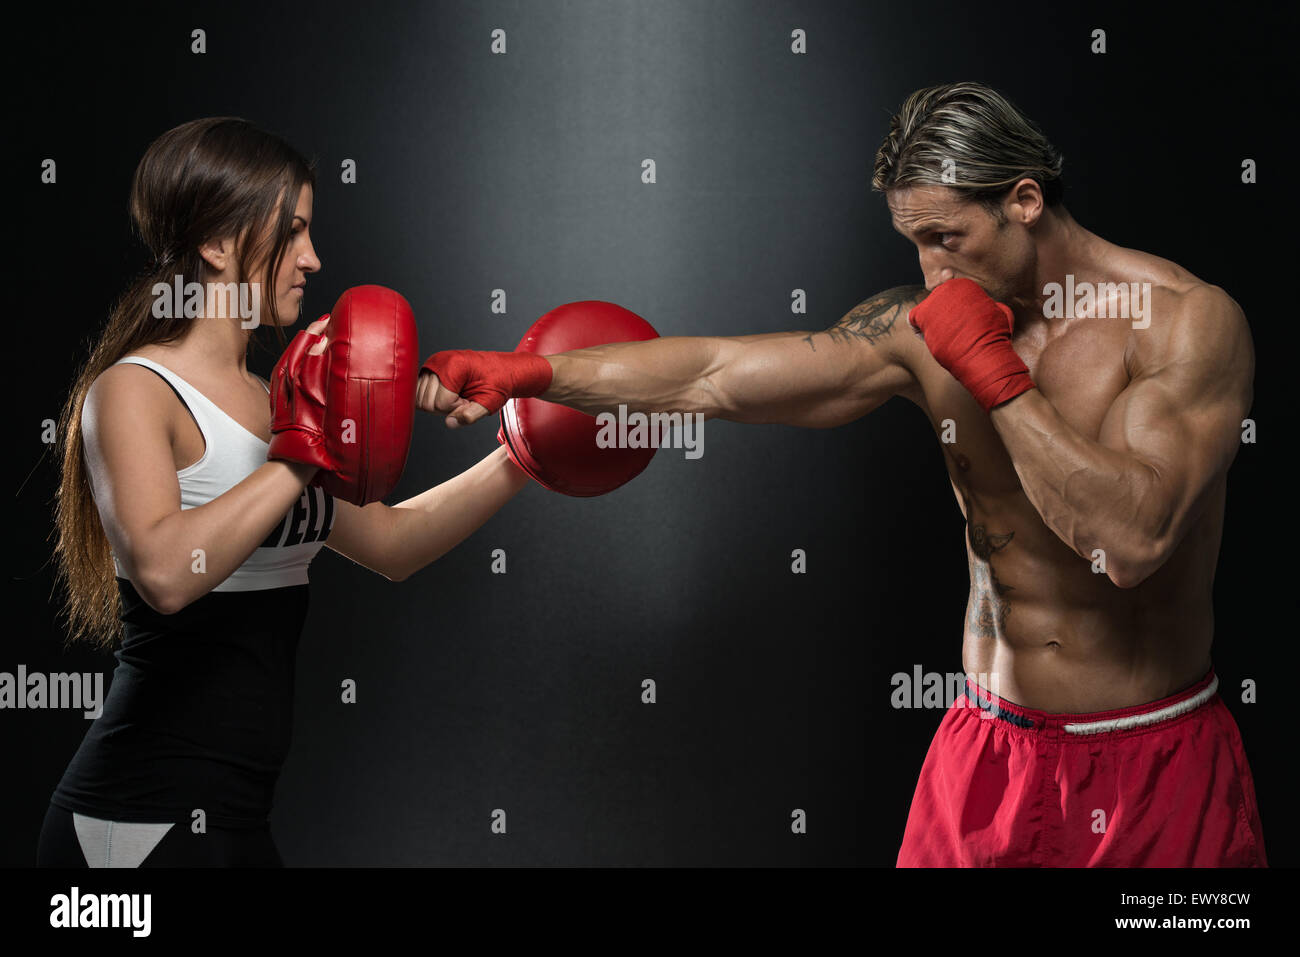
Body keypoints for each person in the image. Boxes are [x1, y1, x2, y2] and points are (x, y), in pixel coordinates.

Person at [418, 82, 1266, 867]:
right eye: (915, 243)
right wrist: (531, 374)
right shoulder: (919, 327)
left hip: (1151, 765)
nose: (933, 275)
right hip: (986, 755)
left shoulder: (1183, 325)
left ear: (1024, 200)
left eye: (948, 238)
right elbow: (714, 374)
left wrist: (995, 376)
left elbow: (1129, 540)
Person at [38, 117, 528, 867]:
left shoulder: (276, 400)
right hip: (131, 824)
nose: (313, 258)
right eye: (293, 230)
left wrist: (524, 453)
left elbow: (392, 543)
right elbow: (165, 572)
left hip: (234, 821)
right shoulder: (136, 391)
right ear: (217, 242)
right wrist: (304, 451)